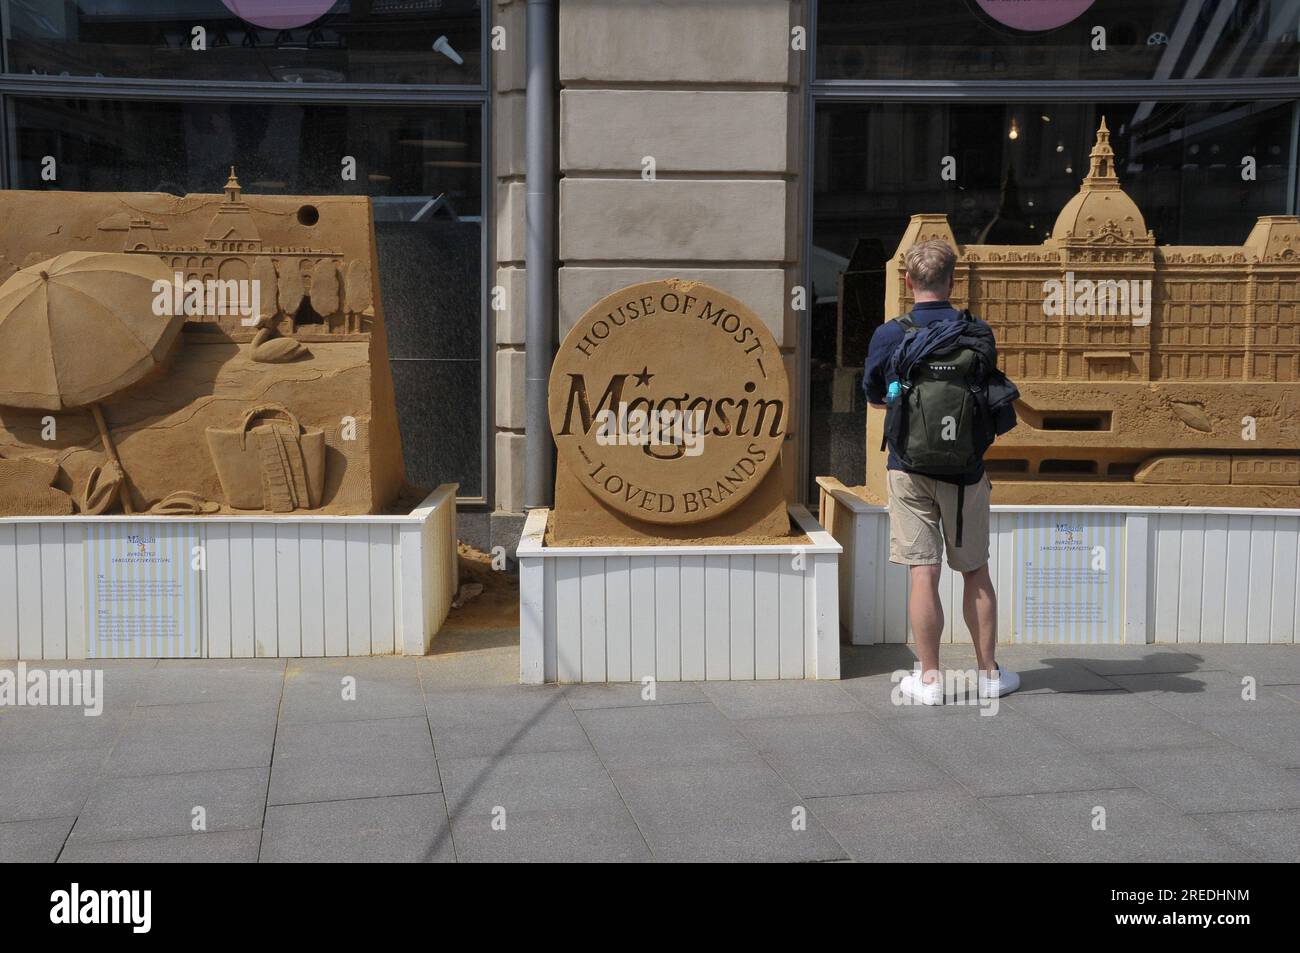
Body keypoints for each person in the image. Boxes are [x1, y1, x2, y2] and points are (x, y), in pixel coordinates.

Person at [863, 239, 1019, 705]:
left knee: (922, 573)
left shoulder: (890, 334)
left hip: (908, 468)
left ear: (908, 281)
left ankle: (929, 681)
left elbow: (874, 396)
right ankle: (988, 674)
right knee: (974, 571)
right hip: (966, 472)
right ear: (954, 281)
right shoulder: (978, 333)